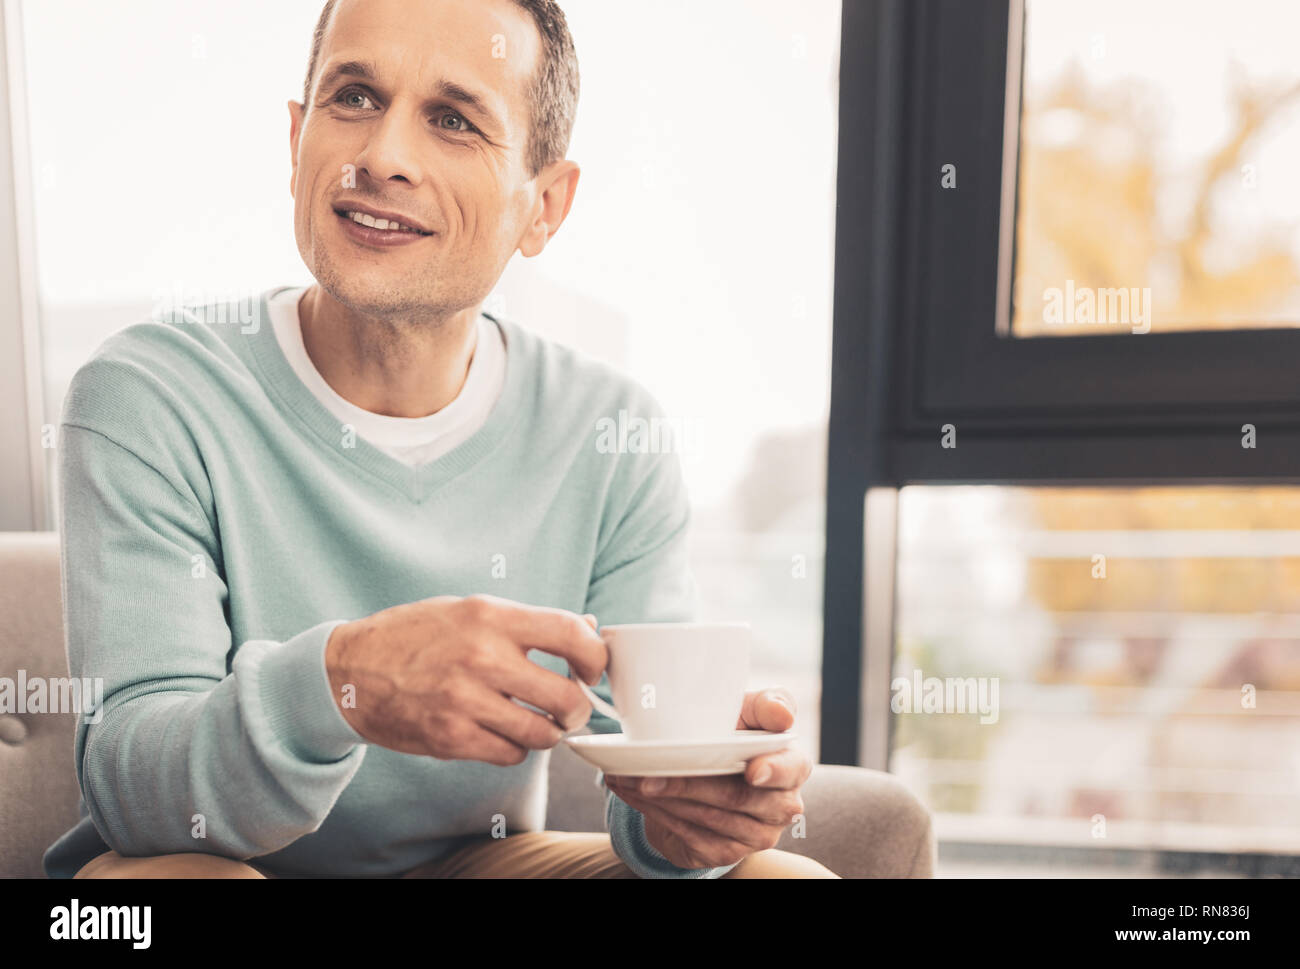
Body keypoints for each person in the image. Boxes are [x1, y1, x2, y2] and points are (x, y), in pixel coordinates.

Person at [45, 0, 834, 879]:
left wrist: (696, 818)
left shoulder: (610, 431)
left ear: (543, 207)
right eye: (352, 98)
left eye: (453, 120)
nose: (380, 156)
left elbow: (635, 760)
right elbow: (131, 790)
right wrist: (344, 683)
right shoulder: (149, 396)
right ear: (297, 140)